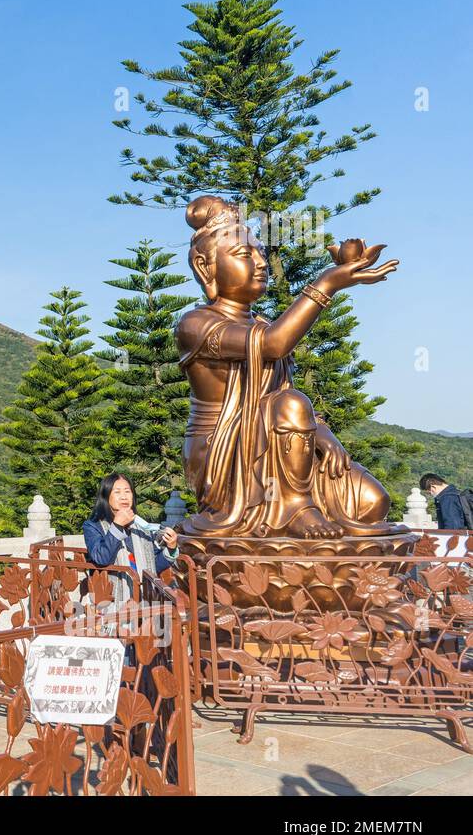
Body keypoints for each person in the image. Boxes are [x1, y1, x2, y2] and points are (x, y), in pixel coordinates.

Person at [175, 195, 404, 540]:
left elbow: (279, 391)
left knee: (372, 503)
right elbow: (273, 346)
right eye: (244, 255)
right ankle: (296, 506)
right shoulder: (195, 325)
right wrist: (327, 283)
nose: (260, 264)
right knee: (293, 404)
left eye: (261, 255)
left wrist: (321, 433)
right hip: (226, 454)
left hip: (283, 445)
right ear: (206, 268)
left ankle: (301, 503)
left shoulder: (263, 322)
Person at [82, 474, 179, 594]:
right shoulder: (93, 525)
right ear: (106, 497)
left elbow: (153, 566)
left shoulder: (141, 526)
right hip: (111, 597)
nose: (124, 497)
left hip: (145, 595)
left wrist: (171, 549)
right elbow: (102, 558)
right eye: (117, 492)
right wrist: (117, 526)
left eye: (127, 492)